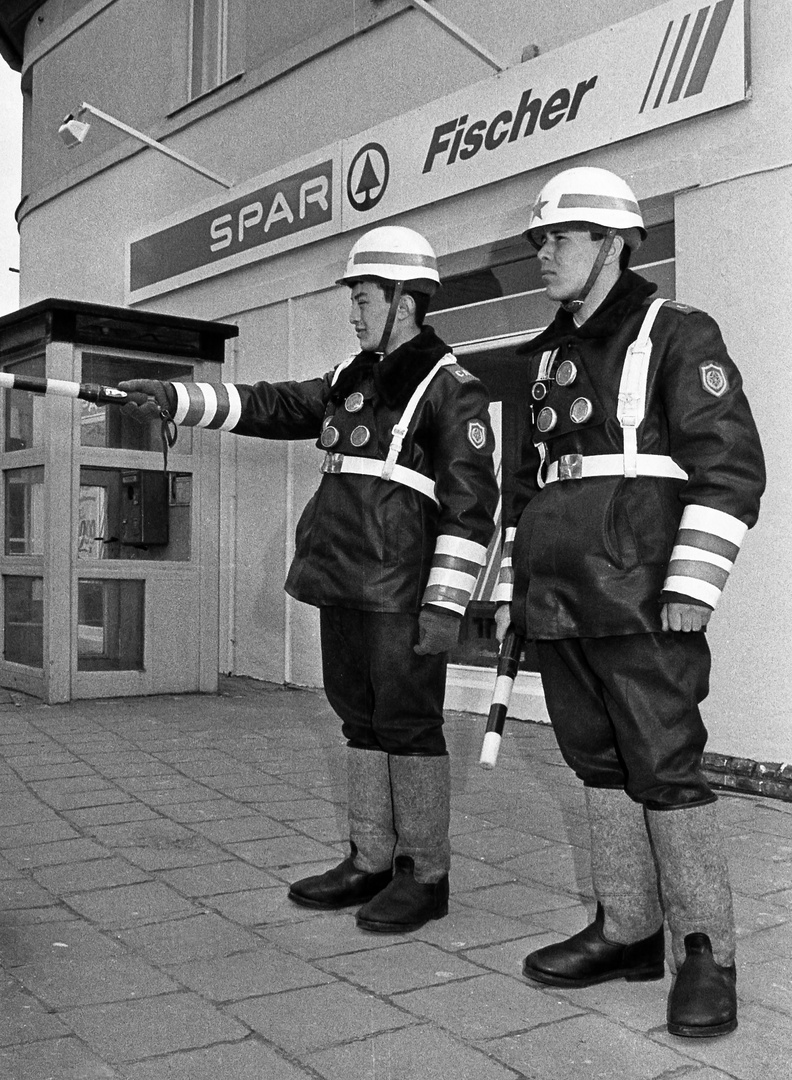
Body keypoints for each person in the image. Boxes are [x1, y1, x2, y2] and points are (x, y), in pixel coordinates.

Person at [120, 225, 499, 934]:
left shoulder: (454, 390)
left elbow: (473, 507)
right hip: (342, 577)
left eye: (363, 299)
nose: (353, 314)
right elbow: (270, 404)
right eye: (353, 300)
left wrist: (447, 604)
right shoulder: (350, 379)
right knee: (358, 720)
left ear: (405, 301)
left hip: (401, 590)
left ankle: (426, 874)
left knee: (409, 727)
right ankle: (370, 858)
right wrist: (178, 399)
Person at [492, 166, 765, 1037]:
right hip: (561, 596)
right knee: (597, 763)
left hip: (643, 594)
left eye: (559, 238)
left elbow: (730, 468)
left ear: (613, 244)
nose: (544, 253)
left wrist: (692, 586)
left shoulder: (676, 331)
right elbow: (522, 487)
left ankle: (703, 953)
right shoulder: (548, 351)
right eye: (540, 238)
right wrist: (512, 592)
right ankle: (626, 929)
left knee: (665, 769)